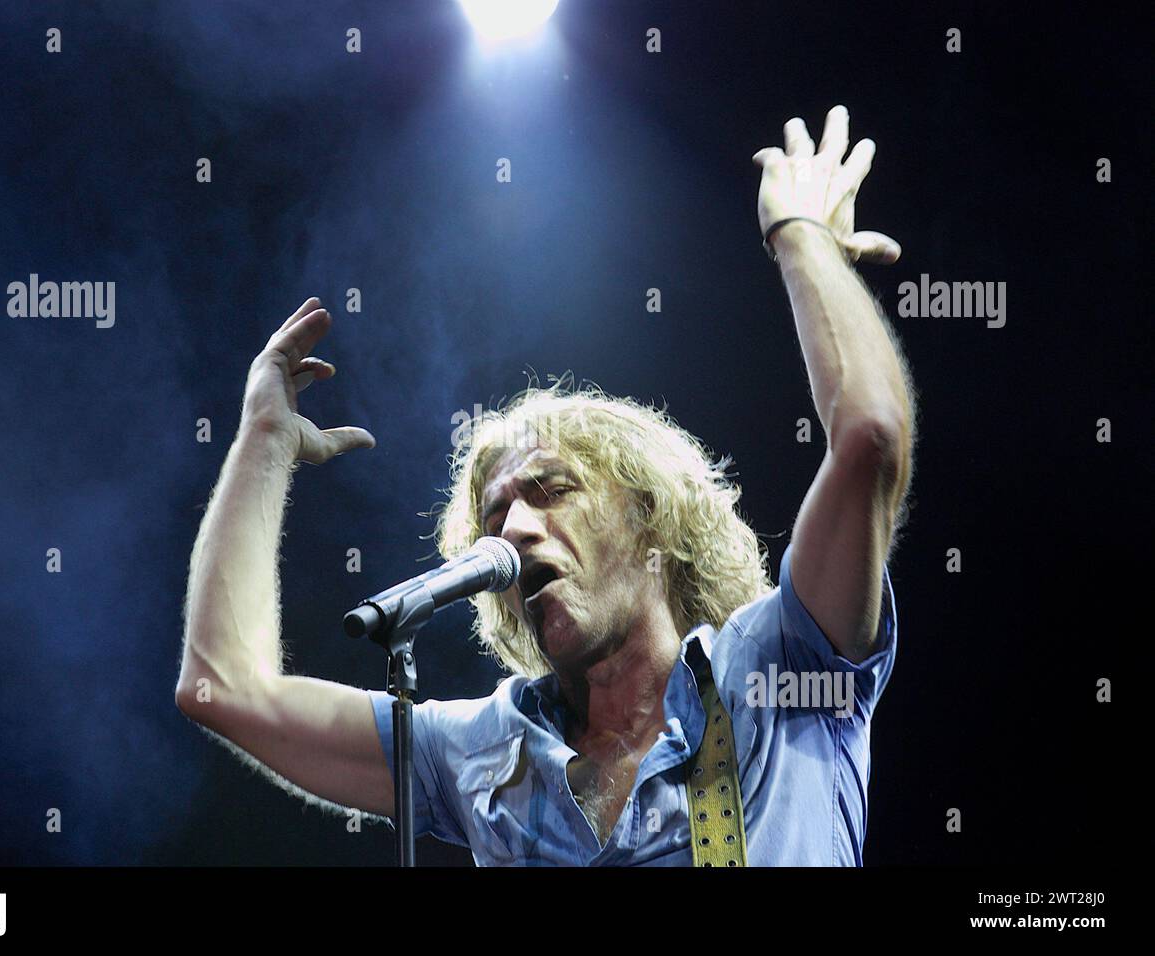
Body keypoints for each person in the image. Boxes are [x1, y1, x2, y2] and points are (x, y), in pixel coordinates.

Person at [175, 105, 916, 866]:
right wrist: (263, 441)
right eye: (495, 513)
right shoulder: (480, 752)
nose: (515, 529)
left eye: (552, 490)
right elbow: (222, 689)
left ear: (650, 517)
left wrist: (802, 238)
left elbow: (868, 438)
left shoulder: (782, 668)